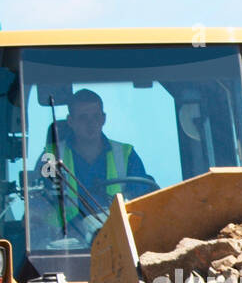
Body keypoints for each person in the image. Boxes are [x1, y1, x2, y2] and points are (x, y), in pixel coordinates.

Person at [34, 89, 156, 242]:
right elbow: (38, 207)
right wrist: (71, 228)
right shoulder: (50, 157)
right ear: (70, 121)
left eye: (96, 116)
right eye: (83, 118)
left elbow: (142, 202)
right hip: (67, 246)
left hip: (121, 241)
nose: (91, 123)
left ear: (104, 118)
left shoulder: (127, 154)